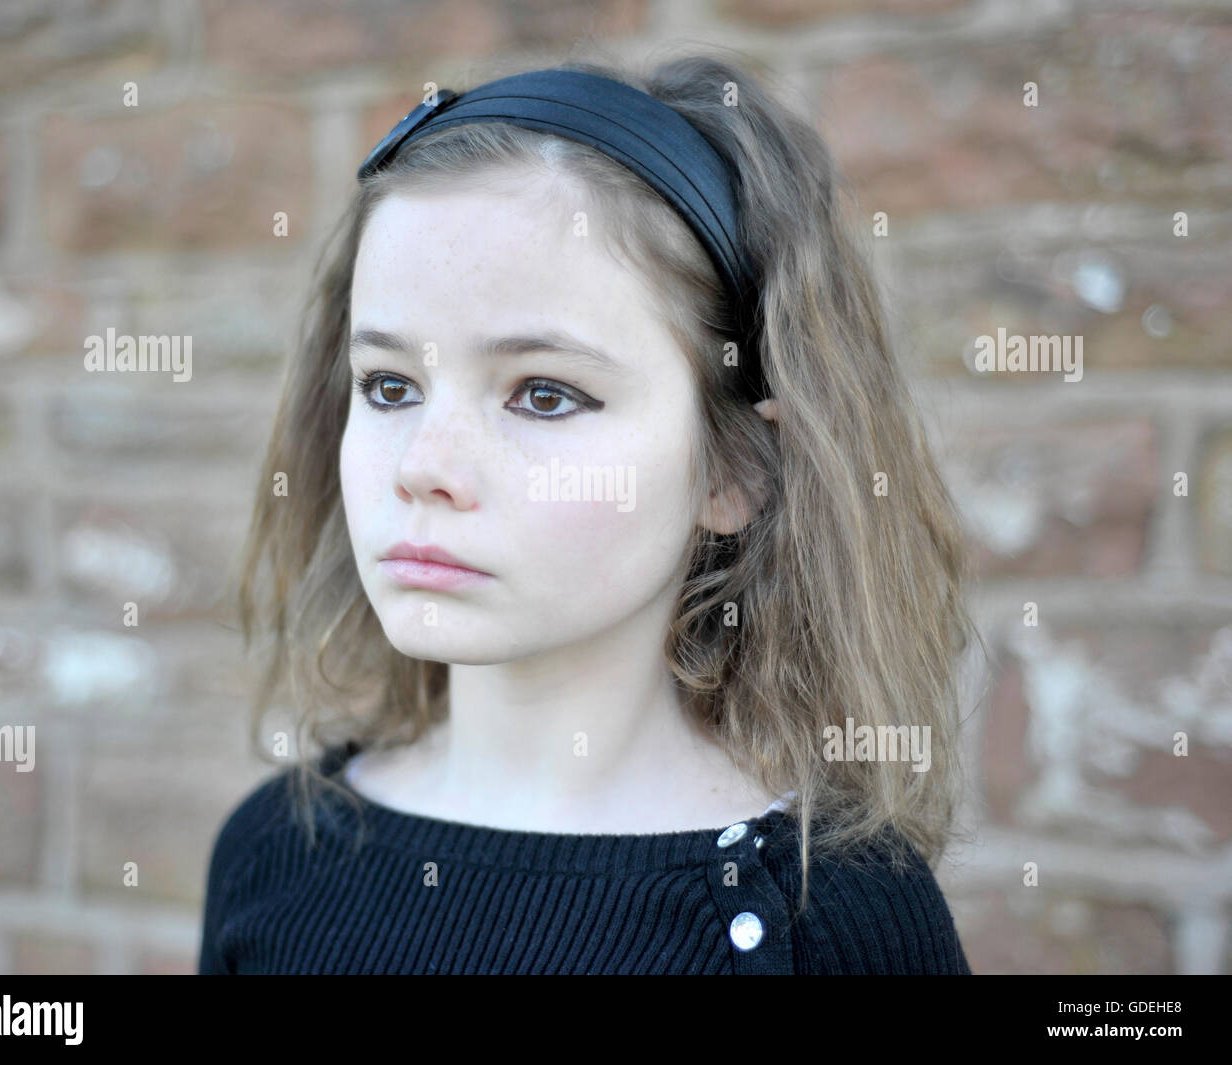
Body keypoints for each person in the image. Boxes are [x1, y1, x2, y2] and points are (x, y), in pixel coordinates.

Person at [198, 47, 979, 975]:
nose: (424, 468)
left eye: (544, 395)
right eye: (391, 384)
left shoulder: (825, 919)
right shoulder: (276, 853)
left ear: (737, 467)